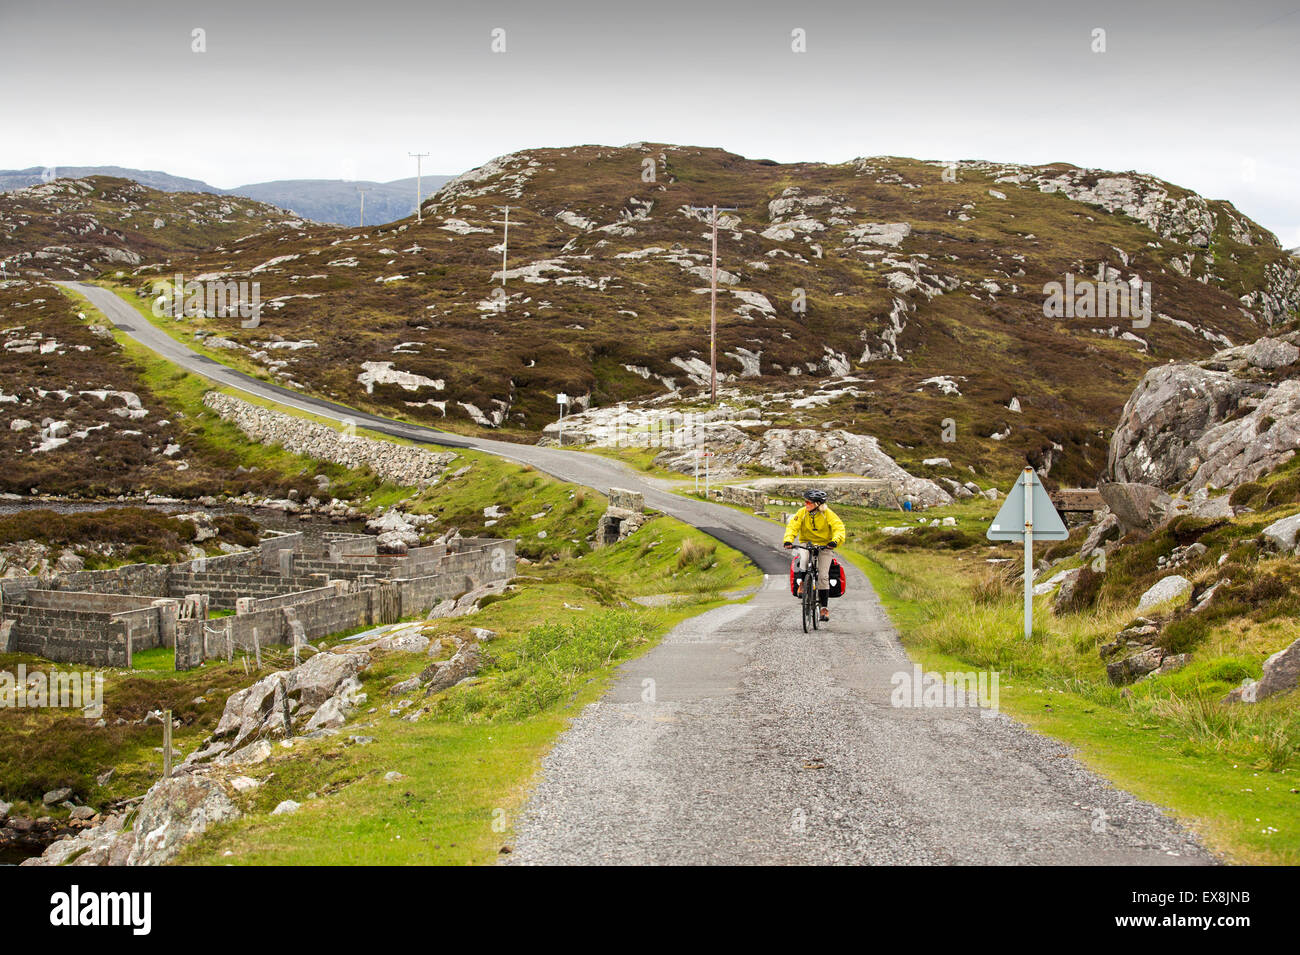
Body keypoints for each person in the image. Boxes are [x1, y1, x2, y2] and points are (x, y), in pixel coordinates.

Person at [783, 489, 846, 621]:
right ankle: (802, 585)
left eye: (808, 502)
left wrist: (834, 541)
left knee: (823, 576)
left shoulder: (828, 514)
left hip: (825, 546)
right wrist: (788, 540)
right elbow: (792, 527)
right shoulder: (802, 512)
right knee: (804, 560)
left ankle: (824, 608)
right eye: (805, 501)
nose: (805, 504)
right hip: (807, 543)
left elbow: (839, 529)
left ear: (817, 504)